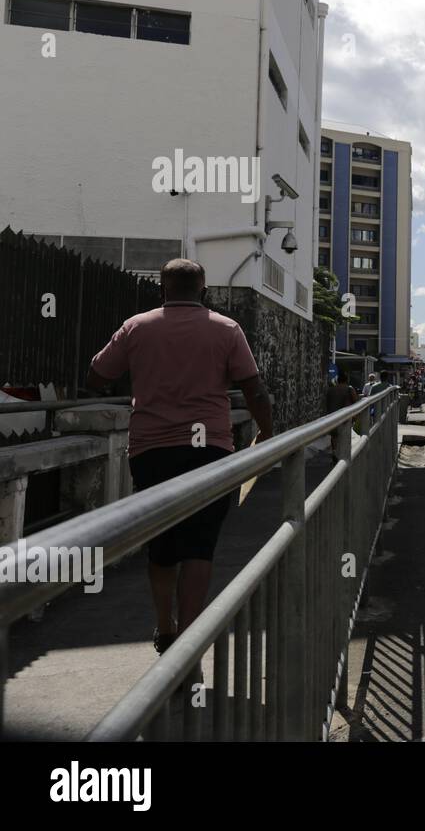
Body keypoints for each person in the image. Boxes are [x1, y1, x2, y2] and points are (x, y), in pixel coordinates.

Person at [87, 259, 273, 655]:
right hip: (210, 452)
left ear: (161, 290)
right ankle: (189, 643)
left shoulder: (136, 326)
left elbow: (98, 375)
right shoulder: (227, 329)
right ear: (204, 292)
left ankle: (165, 627)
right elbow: (255, 390)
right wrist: (269, 433)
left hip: (151, 452)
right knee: (199, 545)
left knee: (162, 544)